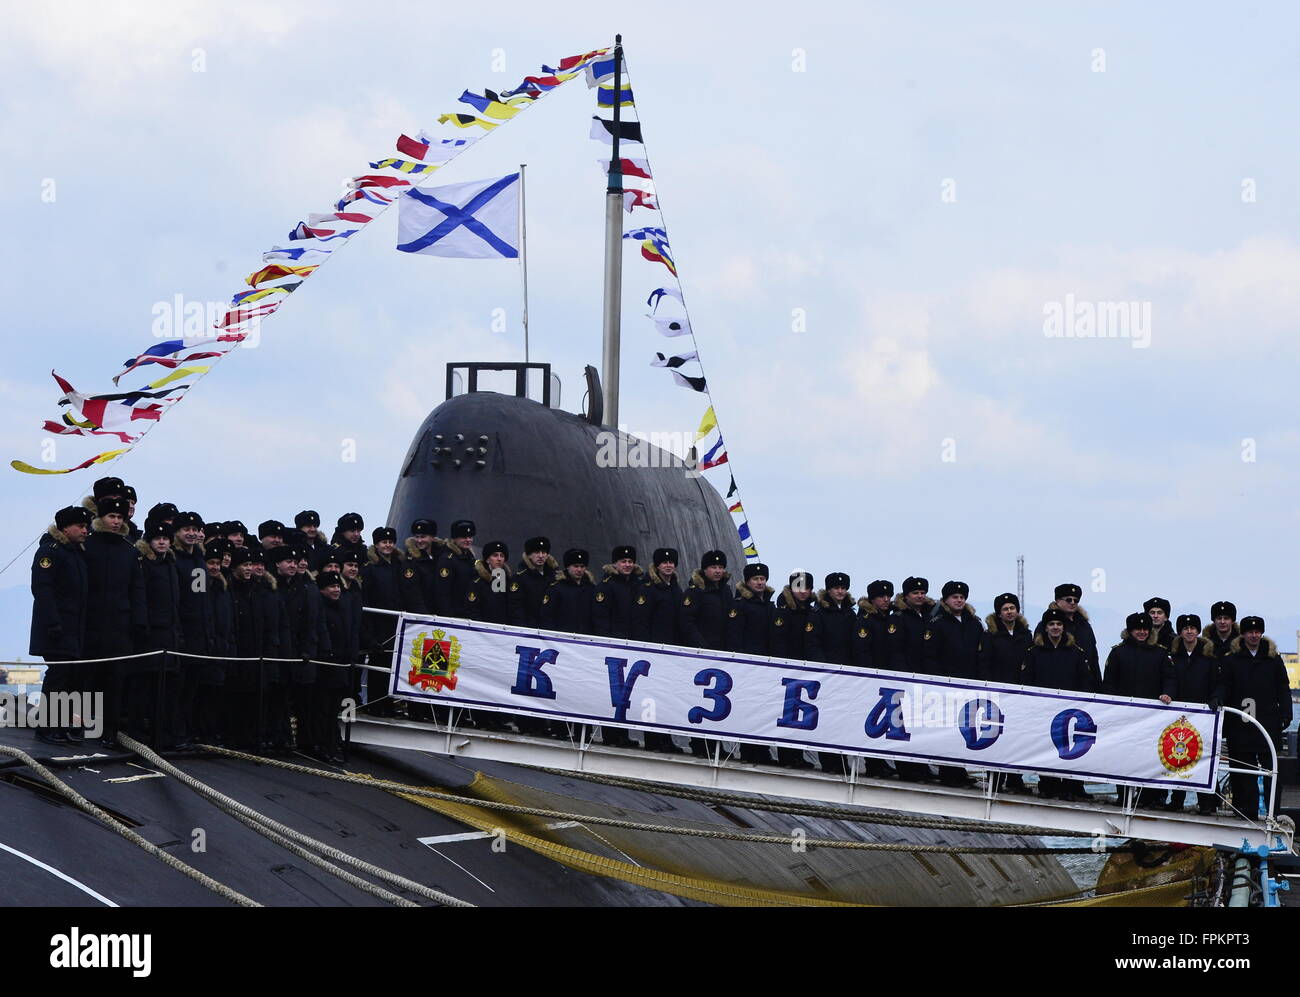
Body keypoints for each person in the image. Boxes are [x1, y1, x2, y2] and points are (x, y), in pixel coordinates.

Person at [83, 496, 146, 744]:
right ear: (101, 518)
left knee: (114, 681)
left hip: (120, 626)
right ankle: (85, 727)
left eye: (120, 517)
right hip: (92, 624)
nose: (116, 522)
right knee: (89, 677)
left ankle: (108, 731)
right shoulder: (88, 546)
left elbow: (137, 590)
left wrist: (139, 623)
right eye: (112, 516)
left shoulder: (129, 551)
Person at [1218, 616, 1291, 821]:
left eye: (1257, 632)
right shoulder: (1231, 659)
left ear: (1261, 633)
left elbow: (1283, 687)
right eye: (1250, 632)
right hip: (1240, 724)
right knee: (1242, 771)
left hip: (1267, 722)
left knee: (1272, 770)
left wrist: (1286, 712)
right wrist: (1218, 698)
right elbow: (1224, 685)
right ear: (1243, 634)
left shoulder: (1273, 659)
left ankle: (1272, 812)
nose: (1253, 635)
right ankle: (1245, 812)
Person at [29, 506, 92, 744]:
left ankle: (61, 725)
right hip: (56, 629)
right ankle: (46, 727)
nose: (86, 530)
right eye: (81, 526)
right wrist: (53, 623)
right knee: (58, 675)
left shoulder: (76, 553)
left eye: (87, 526)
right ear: (66, 527)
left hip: (74, 628)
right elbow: (42, 589)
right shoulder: (51, 551)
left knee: (70, 677)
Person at [1102, 612, 1174, 808]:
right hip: (1123, 716)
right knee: (1122, 756)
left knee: (1150, 757)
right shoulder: (1118, 653)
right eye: (1137, 629)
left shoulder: (1159, 653)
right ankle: (1123, 795)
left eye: (1145, 629)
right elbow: (1108, 683)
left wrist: (1167, 693)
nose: (1142, 632)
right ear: (1130, 631)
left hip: (1152, 716)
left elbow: (1169, 679)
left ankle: (1149, 797)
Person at [1022, 608, 1093, 800]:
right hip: (1043, 710)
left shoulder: (1075, 653)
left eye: (1059, 624)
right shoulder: (1034, 653)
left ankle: (1069, 786)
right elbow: (1027, 680)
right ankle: (1048, 785)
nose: (1055, 628)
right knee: (1045, 747)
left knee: (1069, 748)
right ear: (1045, 627)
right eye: (1052, 624)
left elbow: (1084, 680)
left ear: (1064, 628)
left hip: (1069, 711)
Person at [927, 581, 984, 787]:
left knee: (964, 730)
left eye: (961, 597)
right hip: (946, 686)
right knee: (946, 731)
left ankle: (959, 770)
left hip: (968, 685)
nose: (959, 600)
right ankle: (947, 772)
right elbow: (930, 656)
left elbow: (980, 656)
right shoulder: (937, 623)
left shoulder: (974, 624)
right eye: (954, 597)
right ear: (945, 601)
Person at [361, 527, 422, 716]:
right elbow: (366, 598)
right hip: (379, 623)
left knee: (393, 667)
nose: (387, 545)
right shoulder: (370, 568)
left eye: (390, 542)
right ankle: (374, 704)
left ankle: (388, 704)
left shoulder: (401, 566)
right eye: (383, 542)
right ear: (377, 544)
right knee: (378, 665)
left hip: (397, 624)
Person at [1168, 614, 1221, 815]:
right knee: (1178, 756)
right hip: (1178, 715)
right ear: (1180, 631)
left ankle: (1208, 802)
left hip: (1203, 715)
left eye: (1193, 628)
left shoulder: (1209, 658)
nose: (1189, 631)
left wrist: (1215, 698)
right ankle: (1177, 799)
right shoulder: (1173, 657)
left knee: (1204, 756)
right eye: (1185, 628)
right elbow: (1169, 680)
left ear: (1198, 631)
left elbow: (1218, 683)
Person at [135, 521, 183, 746]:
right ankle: (146, 733)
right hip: (152, 634)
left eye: (165, 539)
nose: (162, 542)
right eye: (157, 539)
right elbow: (141, 599)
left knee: (167, 688)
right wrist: (143, 628)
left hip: (170, 634)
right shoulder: (144, 565)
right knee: (148, 686)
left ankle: (164, 733)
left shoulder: (170, 566)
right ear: (150, 542)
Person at [979, 592, 1032, 793]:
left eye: (1012, 608)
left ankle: (1014, 778)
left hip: (1019, 693)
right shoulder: (990, 635)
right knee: (996, 736)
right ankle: (995, 778)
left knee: (1016, 736)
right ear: (999, 613)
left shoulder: (1025, 634)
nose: (1010, 612)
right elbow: (984, 663)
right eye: (1005, 609)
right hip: (998, 692)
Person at [770, 571, 822, 769]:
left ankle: (797, 755)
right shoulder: (783, 611)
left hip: (804, 670)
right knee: (785, 714)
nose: (803, 592)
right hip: (787, 669)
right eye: (799, 587)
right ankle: (786, 756)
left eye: (807, 588)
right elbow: (778, 640)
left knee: (799, 716)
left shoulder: (810, 612)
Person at [171, 511, 213, 747]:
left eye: (196, 529)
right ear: (177, 532)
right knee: (179, 688)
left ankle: (187, 732)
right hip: (182, 634)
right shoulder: (174, 559)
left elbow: (203, 599)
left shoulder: (199, 559)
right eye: (186, 529)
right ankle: (175, 734)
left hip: (199, 635)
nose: (192, 533)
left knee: (192, 689)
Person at [197, 545, 233, 744]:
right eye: (211, 563)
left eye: (218, 563)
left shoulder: (222, 588)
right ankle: (200, 732)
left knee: (215, 694)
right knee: (202, 694)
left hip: (220, 648)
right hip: (205, 648)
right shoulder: (201, 586)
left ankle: (210, 733)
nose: (215, 567)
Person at [1034, 583, 1100, 686]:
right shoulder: (1045, 625)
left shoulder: (1085, 626)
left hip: (1084, 683)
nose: (1073, 603)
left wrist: (1098, 684)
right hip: (1056, 681)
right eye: (1069, 600)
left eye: (1076, 600)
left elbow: (1093, 657)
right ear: (1058, 601)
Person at [508, 536, 559, 629]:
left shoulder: (554, 578)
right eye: (536, 552)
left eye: (544, 552)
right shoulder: (519, 578)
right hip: (528, 631)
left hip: (550, 632)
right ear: (529, 555)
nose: (540, 556)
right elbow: (516, 609)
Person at [434, 520, 478, 618]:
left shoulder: (469, 558)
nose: (468, 540)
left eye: (470, 537)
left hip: (466, 613)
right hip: (452, 614)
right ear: (455, 538)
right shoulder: (447, 559)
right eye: (464, 537)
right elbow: (442, 592)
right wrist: (448, 617)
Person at [403, 519, 442, 615]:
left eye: (423, 537)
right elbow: (412, 593)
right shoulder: (410, 561)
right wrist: (425, 616)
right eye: (417, 537)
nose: (419, 541)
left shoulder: (440, 557)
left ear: (432, 538)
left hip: (438, 613)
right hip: (421, 616)